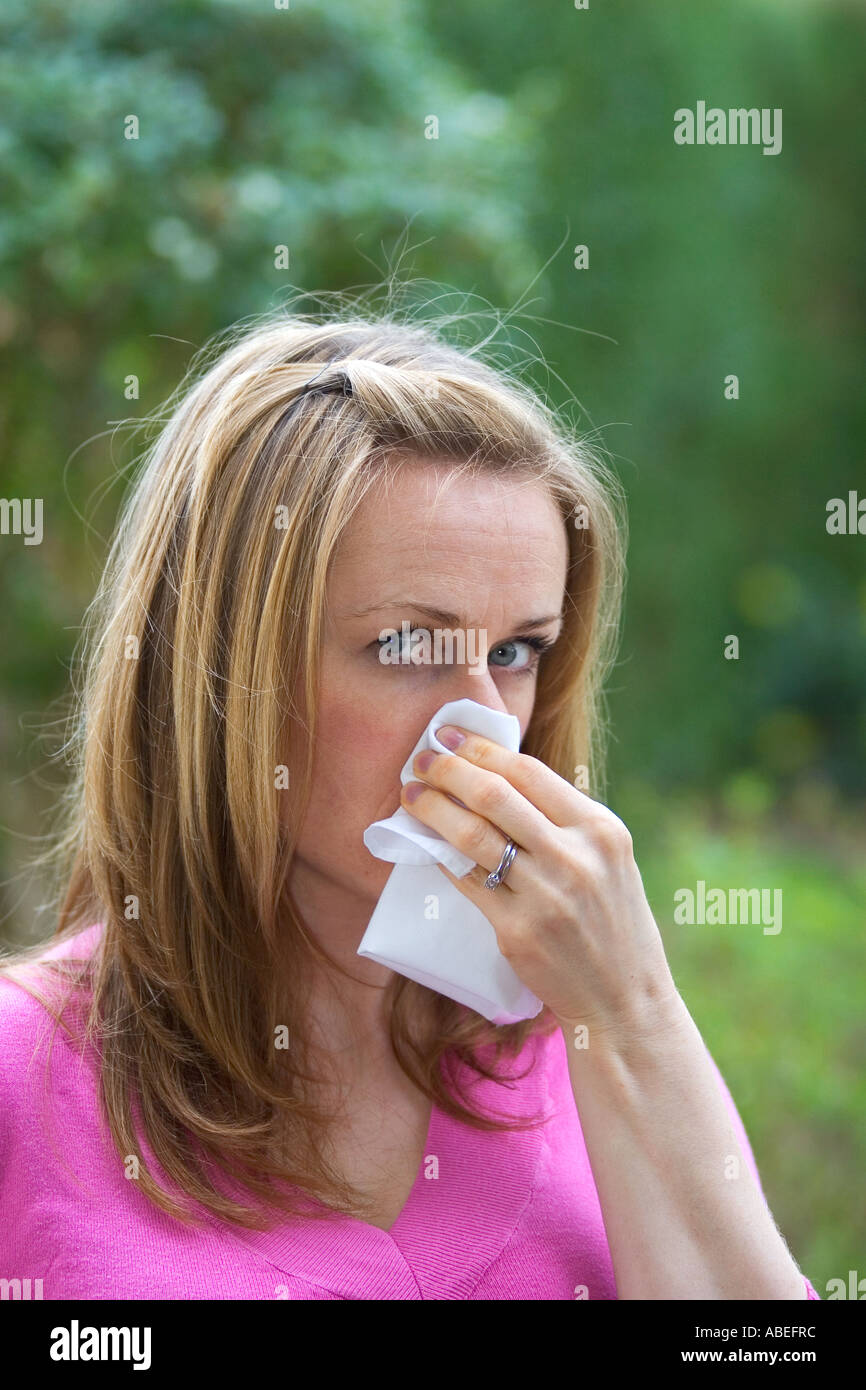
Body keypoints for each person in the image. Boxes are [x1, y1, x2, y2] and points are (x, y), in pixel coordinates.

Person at [0, 305, 819, 1300]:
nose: (480, 724)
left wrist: (633, 1011)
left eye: (515, 650)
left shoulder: (582, 1037)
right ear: (223, 676)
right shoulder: (29, 1080)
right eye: (406, 644)